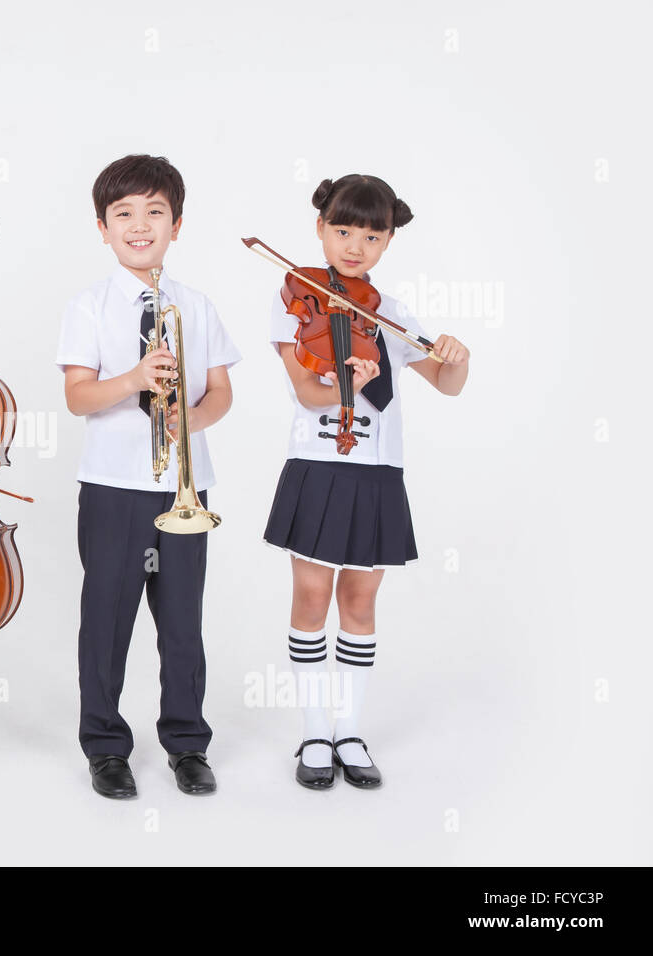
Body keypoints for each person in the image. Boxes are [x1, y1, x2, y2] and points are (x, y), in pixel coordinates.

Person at [264, 174, 470, 790]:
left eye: (372, 234)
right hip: (320, 466)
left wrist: (459, 356)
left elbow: (448, 384)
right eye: (343, 229)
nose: (355, 245)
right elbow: (305, 392)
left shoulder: (391, 313)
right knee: (310, 598)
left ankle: (349, 731)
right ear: (321, 228)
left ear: (387, 241)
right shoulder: (294, 295)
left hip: (378, 471)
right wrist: (343, 379)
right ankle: (313, 733)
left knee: (359, 601)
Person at [55, 154, 240, 799]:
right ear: (102, 227)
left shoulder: (198, 305)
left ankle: (187, 742)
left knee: (183, 618)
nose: (140, 225)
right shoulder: (90, 306)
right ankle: (105, 746)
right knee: (107, 617)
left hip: (185, 485)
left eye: (155, 212)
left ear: (178, 225)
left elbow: (221, 394)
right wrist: (135, 379)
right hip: (112, 486)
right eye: (124, 214)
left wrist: (187, 421)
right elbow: (78, 398)